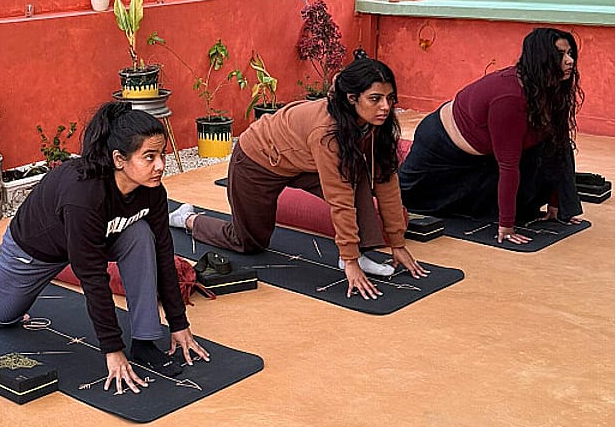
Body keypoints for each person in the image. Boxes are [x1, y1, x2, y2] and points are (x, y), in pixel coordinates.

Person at [0, 101, 209, 395]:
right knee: (0, 315)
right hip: (34, 250)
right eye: (149, 157)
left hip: (96, 237)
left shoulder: (150, 191)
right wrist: (112, 349)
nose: (160, 165)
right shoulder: (84, 197)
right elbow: (92, 277)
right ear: (118, 159)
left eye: (161, 155)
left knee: (140, 234)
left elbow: (164, 255)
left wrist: (178, 323)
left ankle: (144, 340)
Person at [168, 54, 427, 300]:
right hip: (257, 162)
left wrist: (397, 244)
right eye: (375, 99)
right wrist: (347, 260)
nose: (385, 107)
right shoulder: (327, 132)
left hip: (300, 161)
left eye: (389, 98)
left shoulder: (376, 124)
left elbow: (387, 182)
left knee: (355, 172)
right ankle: (188, 219)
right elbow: (340, 200)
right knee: (248, 242)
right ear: (351, 98)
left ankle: (359, 254)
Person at [398, 27, 586, 244]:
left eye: (570, 53)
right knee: (409, 200)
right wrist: (506, 226)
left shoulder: (553, 88)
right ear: (541, 59)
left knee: (553, 151)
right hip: (440, 151)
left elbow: (558, 144)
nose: (569, 61)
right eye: (560, 55)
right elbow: (508, 165)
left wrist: (558, 204)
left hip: (484, 155)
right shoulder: (510, 98)